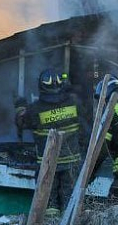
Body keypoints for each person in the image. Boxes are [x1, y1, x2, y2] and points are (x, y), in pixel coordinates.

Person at [16, 69, 85, 212]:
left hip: (48, 163)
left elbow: (21, 122)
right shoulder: (74, 103)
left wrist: (20, 107)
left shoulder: (35, 110)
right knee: (70, 202)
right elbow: (85, 128)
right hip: (72, 162)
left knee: (48, 204)